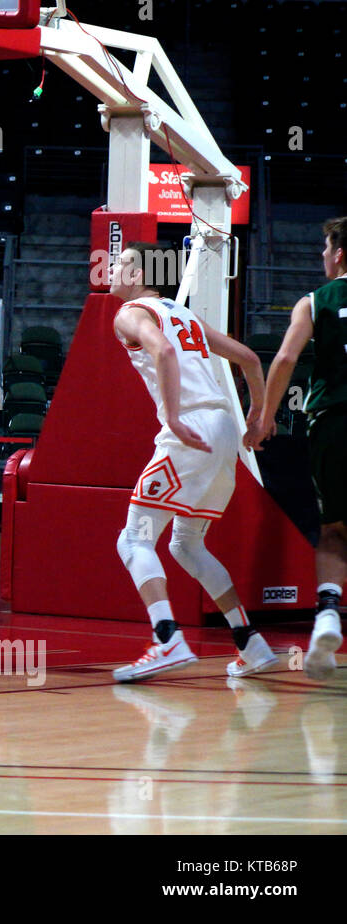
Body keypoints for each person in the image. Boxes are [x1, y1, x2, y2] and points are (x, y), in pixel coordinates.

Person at [109, 241, 277, 681]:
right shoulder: (184, 315)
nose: (111, 269)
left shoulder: (129, 314)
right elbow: (249, 359)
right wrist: (258, 416)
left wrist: (174, 418)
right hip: (224, 430)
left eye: (121, 263)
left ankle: (167, 640)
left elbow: (163, 352)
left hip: (191, 429)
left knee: (134, 538)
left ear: (139, 274)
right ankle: (251, 644)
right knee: (186, 544)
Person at [258, 217, 347, 680]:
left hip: (334, 422)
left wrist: (264, 416)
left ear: (339, 253)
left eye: (325, 248)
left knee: (333, 529)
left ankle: (328, 614)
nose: (322, 256)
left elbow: (286, 358)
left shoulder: (314, 301)